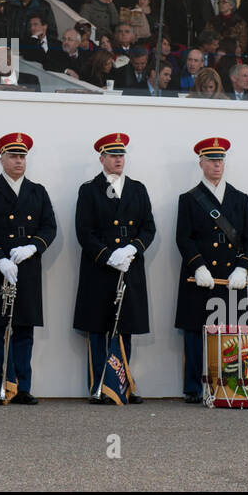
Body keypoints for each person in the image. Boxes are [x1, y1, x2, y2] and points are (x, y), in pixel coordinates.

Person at [0, 133, 57, 404]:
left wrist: (33, 247)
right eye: (13, 156)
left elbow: (49, 226)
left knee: (24, 330)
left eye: (22, 157)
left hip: (27, 268)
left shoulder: (37, 190)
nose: (19, 161)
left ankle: (21, 386)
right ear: (2, 159)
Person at [74, 133, 156, 404]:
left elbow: (148, 227)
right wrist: (108, 256)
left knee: (125, 328)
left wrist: (132, 249)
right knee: (98, 329)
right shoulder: (89, 190)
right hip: (100, 269)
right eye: (113, 155)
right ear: (102, 159)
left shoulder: (138, 188)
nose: (119, 159)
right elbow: (84, 231)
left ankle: (121, 384)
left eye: (121, 155)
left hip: (129, 268)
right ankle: (99, 385)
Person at [174, 137, 248, 403]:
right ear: (201, 163)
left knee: (232, 333)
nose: (217, 165)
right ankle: (193, 388)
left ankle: (231, 383)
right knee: (195, 333)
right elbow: (183, 237)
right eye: (211, 160)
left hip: (231, 276)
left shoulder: (240, 198)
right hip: (200, 277)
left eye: (220, 160)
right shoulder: (188, 199)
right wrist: (198, 266)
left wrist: (243, 268)